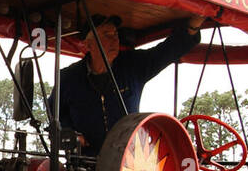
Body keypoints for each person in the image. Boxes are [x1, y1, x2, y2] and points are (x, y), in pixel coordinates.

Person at [56, 14, 205, 155]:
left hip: (129, 161)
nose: (115, 40)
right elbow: (54, 115)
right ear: (88, 45)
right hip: (84, 162)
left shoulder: (133, 65)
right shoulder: (68, 77)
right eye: (107, 35)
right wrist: (72, 133)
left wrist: (192, 26)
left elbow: (165, 52)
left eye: (116, 34)